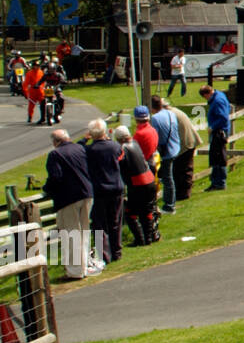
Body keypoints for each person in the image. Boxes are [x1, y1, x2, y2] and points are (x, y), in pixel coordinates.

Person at [46, 128, 98, 279]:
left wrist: (46, 188)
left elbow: (56, 177)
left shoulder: (55, 154)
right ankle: (85, 265)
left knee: (71, 233)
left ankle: (75, 271)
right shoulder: (79, 148)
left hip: (69, 198)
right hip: (87, 193)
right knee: (84, 231)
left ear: (55, 142)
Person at [85, 119, 124, 266]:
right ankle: (117, 251)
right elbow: (121, 158)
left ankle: (104, 254)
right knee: (115, 221)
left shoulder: (89, 150)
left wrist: (85, 139)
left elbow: (78, 148)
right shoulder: (115, 146)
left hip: (99, 190)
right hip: (115, 188)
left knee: (99, 225)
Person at [115, 124, 160, 246]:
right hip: (149, 180)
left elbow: (118, 162)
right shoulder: (135, 143)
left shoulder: (123, 148)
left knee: (130, 213)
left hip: (138, 183)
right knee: (147, 211)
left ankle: (140, 239)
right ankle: (149, 238)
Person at [149, 96, 181, 214]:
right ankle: (170, 201)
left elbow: (154, 136)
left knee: (167, 178)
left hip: (166, 151)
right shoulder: (170, 113)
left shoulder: (155, 119)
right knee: (167, 177)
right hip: (175, 147)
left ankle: (169, 205)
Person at [164, 98, 199, 201]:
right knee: (184, 168)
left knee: (183, 169)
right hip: (188, 140)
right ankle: (183, 192)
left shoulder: (169, 115)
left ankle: (183, 194)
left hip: (185, 142)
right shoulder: (175, 111)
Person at [199, 84, 231, 190]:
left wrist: (212, 127)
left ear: (207, 94)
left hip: (219, 132)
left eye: (205, 97)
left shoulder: (217, 101)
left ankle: (220, 182)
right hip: (219, 131)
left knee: (218, 156)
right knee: (216, 156)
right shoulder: (219, 95)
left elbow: (223, 117)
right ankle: (216, 182)